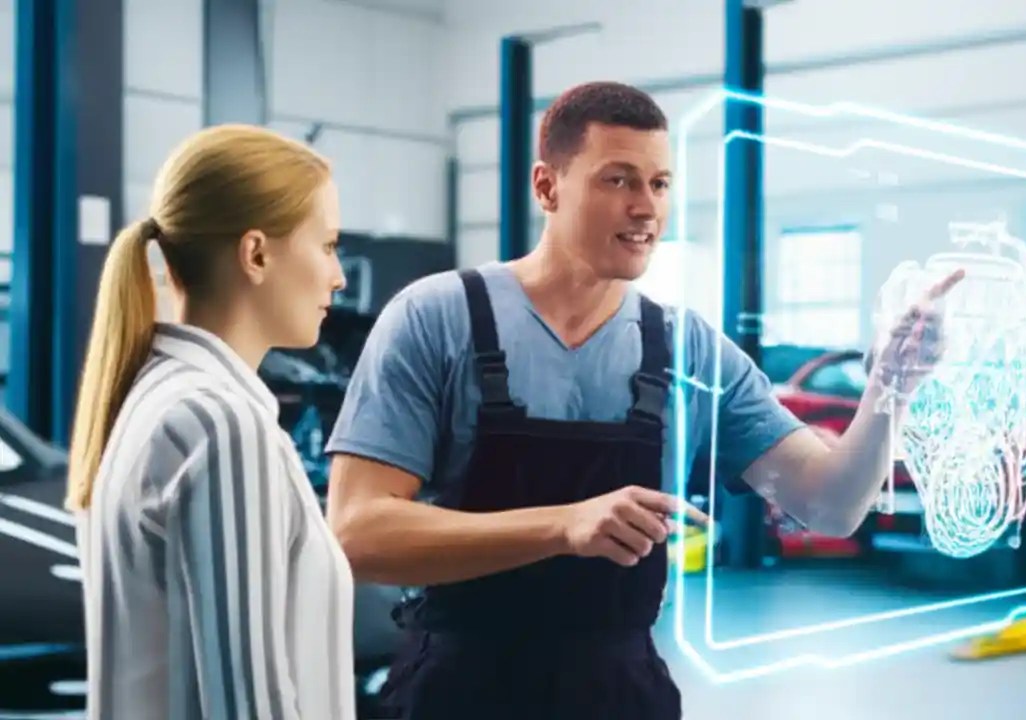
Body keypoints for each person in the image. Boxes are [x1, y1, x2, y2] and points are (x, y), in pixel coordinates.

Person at [324, 81, 958, 720]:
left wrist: (890, 387)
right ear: (547, 187)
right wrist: (564, 525)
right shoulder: (438, 318)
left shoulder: (689, 351)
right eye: (618, 181)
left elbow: (831, 504)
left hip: (620, 695)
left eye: (659, 184)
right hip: (459, 693)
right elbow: (357, 532)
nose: (646, 208)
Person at [67, 124, 357, 720]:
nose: (339, 276)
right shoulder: (219, 425)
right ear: (256, 253)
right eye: (327, 246)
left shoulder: (156, 401)